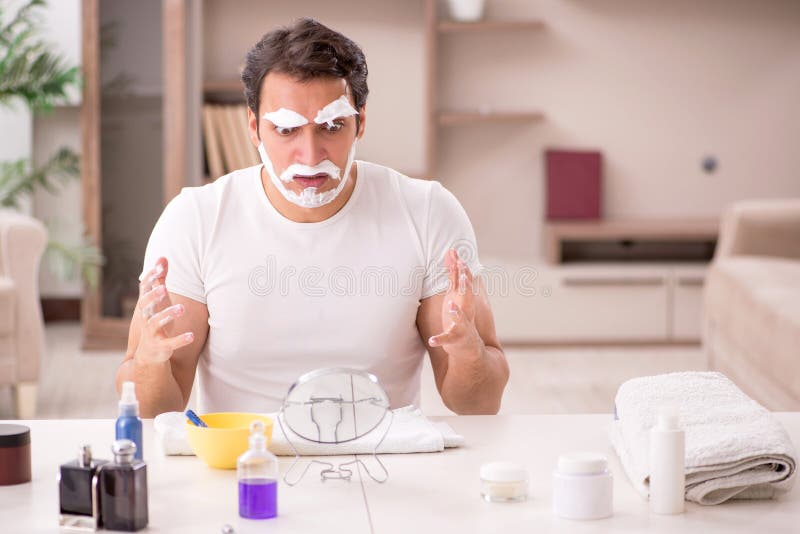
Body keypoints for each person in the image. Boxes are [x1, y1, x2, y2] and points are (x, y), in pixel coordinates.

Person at [115, 18, 509, 417]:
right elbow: (155, 412)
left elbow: (479, 403)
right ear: (254, 128)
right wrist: (149, 361)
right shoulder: (194, 220)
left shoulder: (427, 212)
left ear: (360, 123)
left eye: (332, 126)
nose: (310, 154)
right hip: (243, 464)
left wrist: (467, 351)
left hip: (385, 463)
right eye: (286, 130)